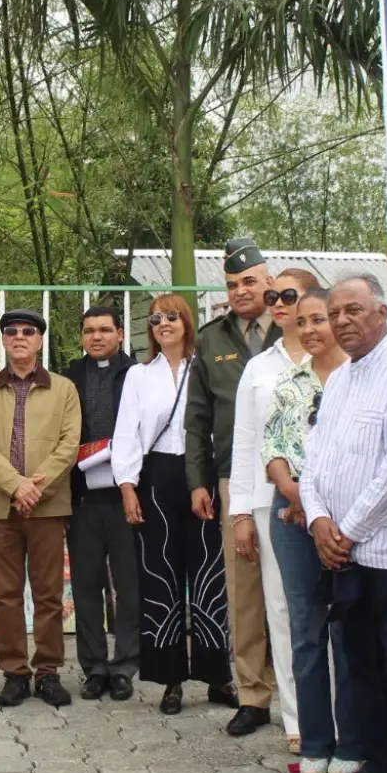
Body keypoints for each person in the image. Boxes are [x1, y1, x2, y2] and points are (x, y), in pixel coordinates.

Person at [300, 274, 387, 773]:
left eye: (352, 311)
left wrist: (346, 531)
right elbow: (314, 462)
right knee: (360, 670)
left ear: (381, 312)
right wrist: (317, 520)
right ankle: (377, 768)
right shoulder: (339, 379)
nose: (341, 322)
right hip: (343, 556)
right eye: (335, 314)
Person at [114, 295, 233, 715]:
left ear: (187, 321)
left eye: (170, 316)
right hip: (158, 477)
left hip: (202, 473)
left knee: (208, 575)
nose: (163, 323)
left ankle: (218, 676)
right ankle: (171, 680)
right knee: (160, 576)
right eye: (155, 319)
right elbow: (127, 432)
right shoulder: (139, 377)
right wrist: (128, 486)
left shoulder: (206, 366)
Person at [263, 288, 363, 773]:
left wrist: (321, 506)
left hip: (346, 522)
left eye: (318, 319)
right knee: (306, 632)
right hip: (292, 517)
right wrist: (296, 496)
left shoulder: (359, 380)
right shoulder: (287, 383)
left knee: (346, 631)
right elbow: (273, 449)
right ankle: (316, 742)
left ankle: (352, 742)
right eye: (301, 322)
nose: (309, 330)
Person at [0, 308, 81, 709]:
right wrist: (16, 486)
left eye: (28, 331)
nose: (19, 337)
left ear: (39, 340)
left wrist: (35, 487)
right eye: (11, 331)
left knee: (48, 594)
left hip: (48, 507)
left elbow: (69, 444)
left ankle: (48, 672)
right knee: (7, 595)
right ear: (2, 340)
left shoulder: (63, 389)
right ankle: (15, 672)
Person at [187, 237, 279, 735]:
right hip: (234, 477)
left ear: (269, 279)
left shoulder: (293, 324)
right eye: (232, 284)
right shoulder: (212, 337)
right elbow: (197, 417)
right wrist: (198, 480)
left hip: (295, 478)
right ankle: (253, 693)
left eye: (249, 281)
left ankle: (308, 689)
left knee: (297, 588)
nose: (241, 290)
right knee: (243, 590)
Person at [229, 267, 321, 752]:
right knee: (282, 610)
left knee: (329, 612)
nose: (277, 303)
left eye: (289, 294)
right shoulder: (259, 367)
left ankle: (339, 712)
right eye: (273, 295)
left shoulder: (340, 359)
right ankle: (298, 718)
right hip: (270, 504)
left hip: (332, 504)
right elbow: (244, 444)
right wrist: (241, 513)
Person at [62, 306, 139, 701]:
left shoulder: (138, 374)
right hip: (83, 497)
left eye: (105, 330)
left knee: (128, 584)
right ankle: (94, 666)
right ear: (81, 337)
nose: (97, 337)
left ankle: (125, 665)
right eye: (89, 330)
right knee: (86, 583)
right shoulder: (69, 377)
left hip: (127, 495)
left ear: (120, 334)